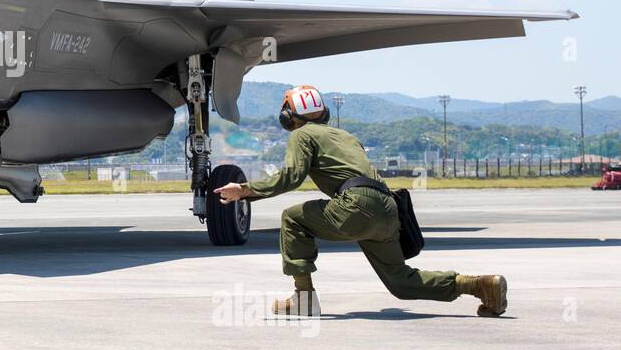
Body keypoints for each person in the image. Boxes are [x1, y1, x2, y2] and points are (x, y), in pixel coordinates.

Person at [213, 84, 507, 318]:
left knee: (292, 217)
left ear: (289, 115)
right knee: (401, 282)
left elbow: (291, 177)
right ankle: (479, 285)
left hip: (355, 205)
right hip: (386, 207)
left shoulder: (303, 135)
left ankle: (303, 299)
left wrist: (245, 189)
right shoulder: (345, 135)